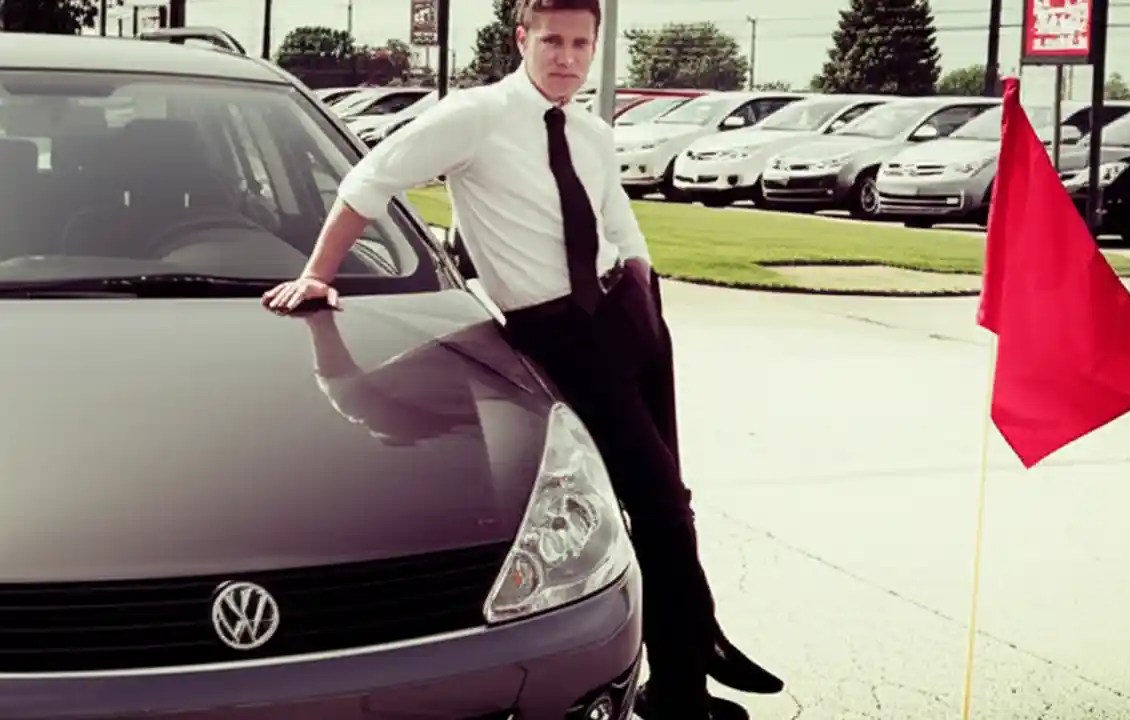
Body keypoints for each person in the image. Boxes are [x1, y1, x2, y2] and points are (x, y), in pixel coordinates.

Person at [261, 0, 783, 716]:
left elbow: (617, 219)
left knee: (671, 501)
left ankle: (693, 652)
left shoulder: (593, 131)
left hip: (631, 318)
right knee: (657, 503)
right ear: (522, 39)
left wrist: (642, 285)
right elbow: (370, 180)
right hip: (559, 331)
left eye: (581, 43)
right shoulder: (475, 118)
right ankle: (688, 681)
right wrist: (319, 272)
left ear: (596, 45)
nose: (567, 57)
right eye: (553, 41)